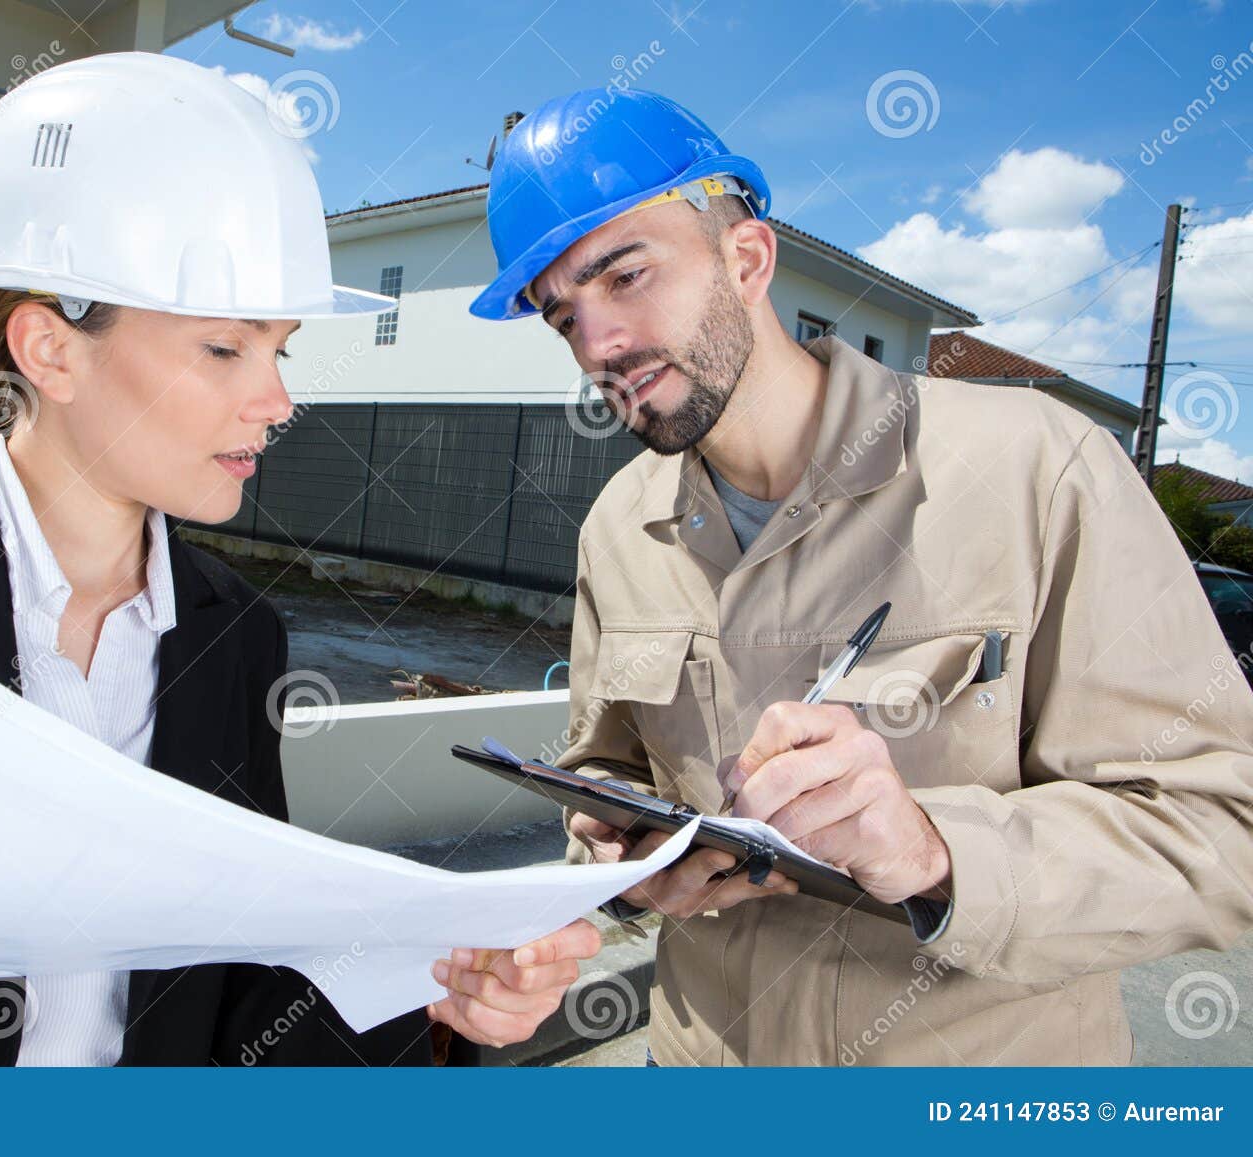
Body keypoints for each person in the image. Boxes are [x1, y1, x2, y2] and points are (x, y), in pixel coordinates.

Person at [0, 52, 599, 1066]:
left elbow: (229, 1004)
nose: (277, 400)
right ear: (51, 350)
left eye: (279, 349)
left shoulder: (235, 634)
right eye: (224, 348)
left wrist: (436, 1003)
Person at [469, 87, 1253, 1065]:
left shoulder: (1040, 471)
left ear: (746, 258)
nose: (597, 345)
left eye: (624, 277)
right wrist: (618, 865)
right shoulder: (619, 529)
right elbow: (605, 773)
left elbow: (1221, 831)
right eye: (561, 318)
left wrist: (932, 850)